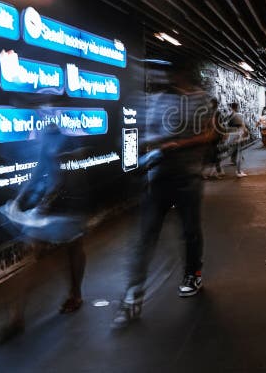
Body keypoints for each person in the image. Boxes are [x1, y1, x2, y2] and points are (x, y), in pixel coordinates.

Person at [112, 59, 213, 328]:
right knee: (146, 235)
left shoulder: (199, 99)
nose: (160, 78)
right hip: (158, 176)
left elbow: (208, 134)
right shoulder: (151, 102)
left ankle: (193, 273)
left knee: (190, 230)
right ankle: (134, 293)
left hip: (188, 177)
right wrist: (151, 146)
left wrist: (179, 143)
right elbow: (144, 136)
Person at [0, 123, 89, 344]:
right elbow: (39, 173)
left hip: (70, 204)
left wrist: (43, 200)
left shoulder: (68, 135)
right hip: (54, 208)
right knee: (33, 252)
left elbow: (69, 166)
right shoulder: (48, 136)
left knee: (74, 248)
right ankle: (17, 318)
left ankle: (75, 294)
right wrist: (18, 201)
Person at [202, 97, 225, 179]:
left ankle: (215, 171)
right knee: (214, 153)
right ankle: (216, 172)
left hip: (211, 136)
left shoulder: (208, 112)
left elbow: (206, 124)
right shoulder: (216, 112)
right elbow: (219, 124)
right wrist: (222, 134)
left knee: (213, 153)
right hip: (214, 136)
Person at [228, 102, 248, 177]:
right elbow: (243, 125)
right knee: (239, 153)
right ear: (236, 107)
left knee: (234, 151)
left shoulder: (229, 115)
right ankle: (239, 172)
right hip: (238, 135)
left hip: (231, 135)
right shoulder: (238, 115)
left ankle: (238, 170)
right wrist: (245, 131)